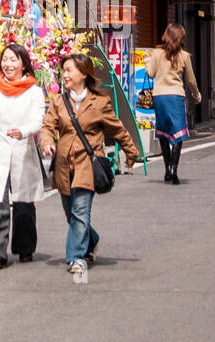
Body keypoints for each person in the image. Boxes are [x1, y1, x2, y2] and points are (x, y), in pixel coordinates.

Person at [40, 53, 139, 277]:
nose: (64, 75)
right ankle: (91, 240)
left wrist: (131, 152)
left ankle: (76, 257)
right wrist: (47, 143)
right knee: (71, 215)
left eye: (69, 70)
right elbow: (47, 127)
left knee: (80, 212)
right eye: (63, 70)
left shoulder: (100, 102)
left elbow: (117, 129)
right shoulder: (58, 101)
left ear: (83, 74)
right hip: (64, 165)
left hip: (87, 164)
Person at [0, 43, 46, 270]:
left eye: (13, 60)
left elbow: (38, 119)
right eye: (5, 59)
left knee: (24, 204)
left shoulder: (34, 91)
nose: (8, 64)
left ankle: (25, 248)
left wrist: (23, 131)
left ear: (23, 64)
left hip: (22, 150)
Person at [145, 23, 202, 184]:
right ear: (180, 38)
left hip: (159, 96)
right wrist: (197, 95)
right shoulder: (184, 56)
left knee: (163, 132)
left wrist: (147, 61)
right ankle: (173, 169)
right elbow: (191, 80)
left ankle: (167, 169)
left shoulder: (157, 53)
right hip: (176, 96)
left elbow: (150, 73)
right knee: (178, 134)